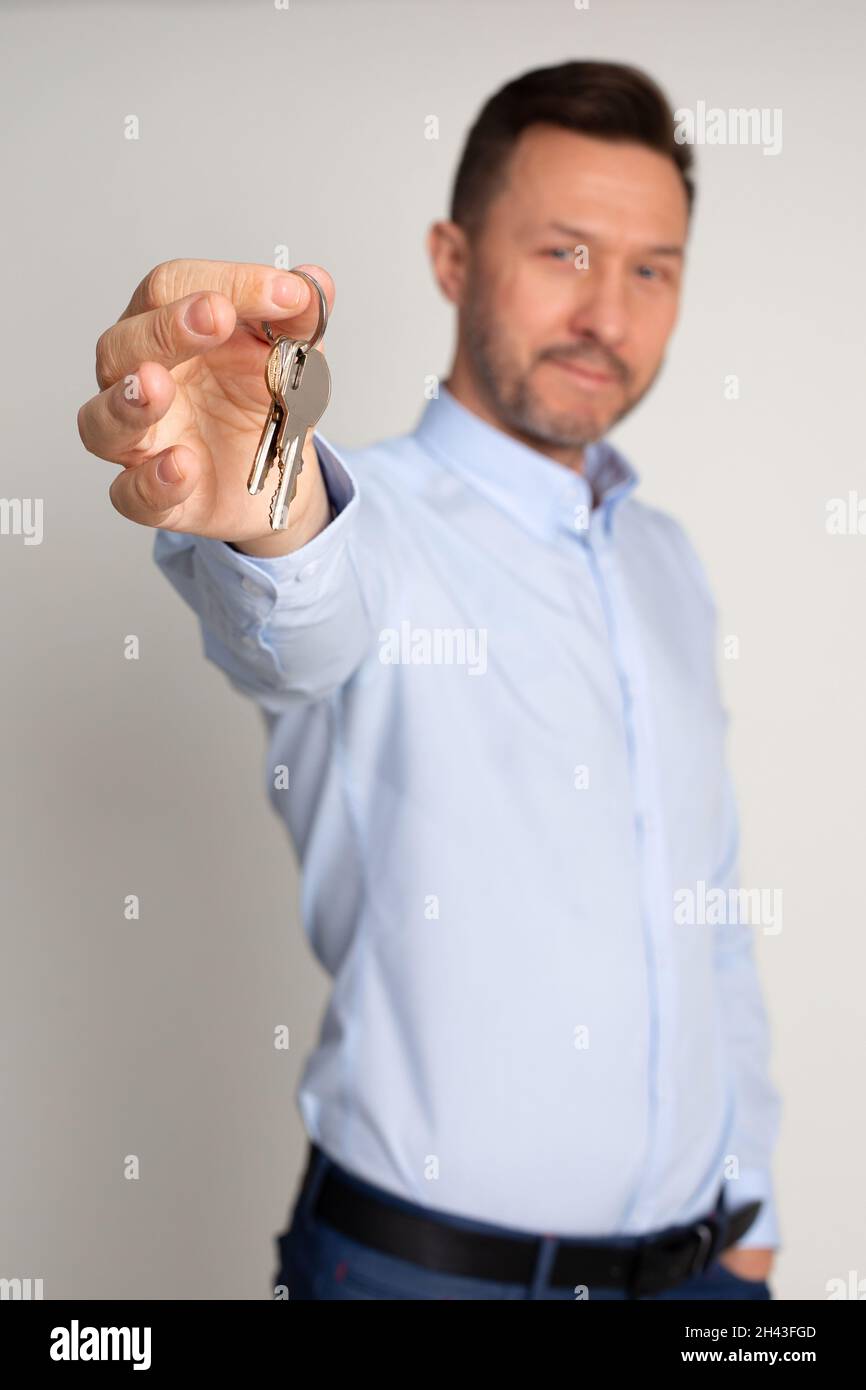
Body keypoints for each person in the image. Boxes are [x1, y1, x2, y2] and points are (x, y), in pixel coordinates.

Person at [77, 60, 782, 1300]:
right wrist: (271, 506)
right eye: (563, 251)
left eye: (649, 268)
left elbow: (708, 907)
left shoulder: (667, 561)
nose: (607, 316)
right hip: (415, 1278)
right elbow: (298, 626)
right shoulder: (368, 514)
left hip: (701, 1281)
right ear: (452, 258)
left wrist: (750, 1201)